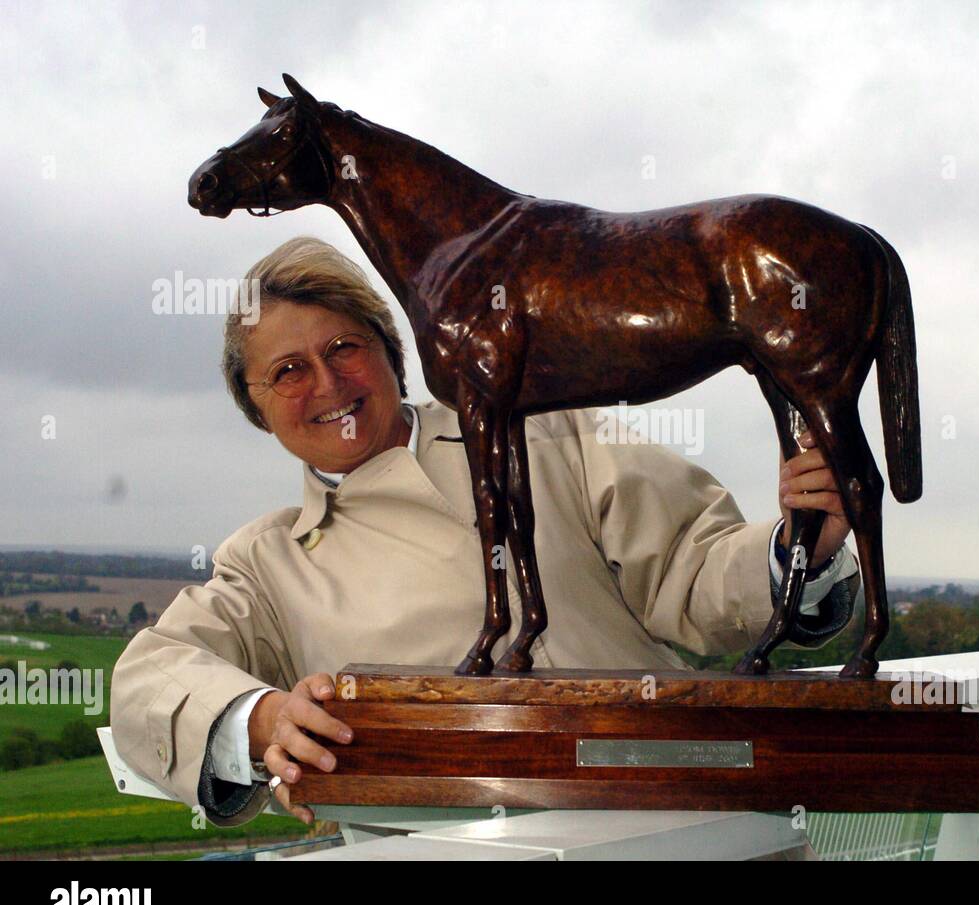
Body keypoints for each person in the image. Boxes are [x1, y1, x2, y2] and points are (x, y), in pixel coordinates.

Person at [110, 236, 864, 827]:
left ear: (388, 350)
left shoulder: (539, 428)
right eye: (288, 370)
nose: (329, 384)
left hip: (685, 820)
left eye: (344, 347)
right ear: (257, 406)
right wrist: (265, 720)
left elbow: (691, 568)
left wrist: (800, 546)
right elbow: (149, 675)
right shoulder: (269, 562)